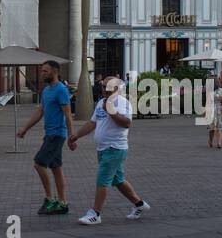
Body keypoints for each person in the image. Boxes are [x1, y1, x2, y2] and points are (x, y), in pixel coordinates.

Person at [69, 77, 150, 225]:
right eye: (103, 86)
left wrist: (112, 112)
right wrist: (76, 135)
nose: (105, 90)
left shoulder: (123, 103)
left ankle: (95, 213)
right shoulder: (101, 103)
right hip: (103, 148)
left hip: (115, 148)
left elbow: (127, 123)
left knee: (102, 179)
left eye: (109, 87)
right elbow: (92, 123)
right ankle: (139, 204)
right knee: (117, 180)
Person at [16, 60, 74, 216]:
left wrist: (71, 136)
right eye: (42, 71)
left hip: (57, 134)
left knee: (39, 164)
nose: (42, 73)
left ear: (54, 72)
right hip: (49, 133)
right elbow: (40, 112)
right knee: (56, 168)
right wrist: (25, 128)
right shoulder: (46, 91)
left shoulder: (61, 89)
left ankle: (50, 199)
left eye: (45, 71)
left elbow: (68, 114)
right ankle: (62, 203)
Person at [206, 78, 222, 149]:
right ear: (219, 83)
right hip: (220, 109)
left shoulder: (210, 92)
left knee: (212, 127)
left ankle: (210, 142)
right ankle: (219, 143)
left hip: (212, 110)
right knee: (219, 128)